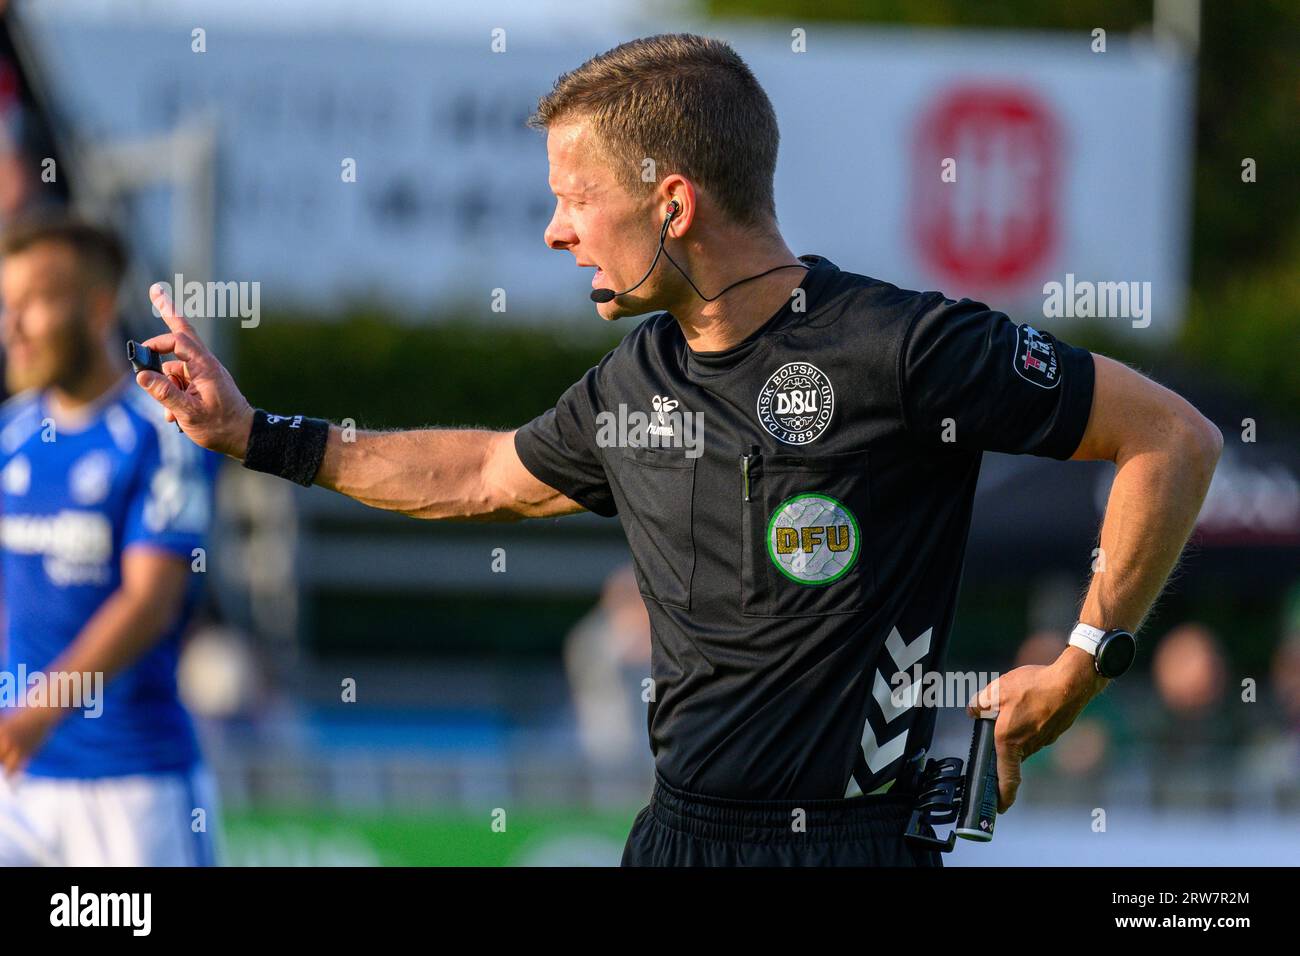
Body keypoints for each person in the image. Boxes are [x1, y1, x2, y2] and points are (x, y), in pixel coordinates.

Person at [130, 34, 1223, 866]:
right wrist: (255, 433)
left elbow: (1170, 437)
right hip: (676, 838)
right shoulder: (632, 379)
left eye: (574, 199)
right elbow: (478, 473)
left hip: (854, 847)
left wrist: (1082, 663)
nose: (554, 230)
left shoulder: (908, 348)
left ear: (673, 202)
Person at [0, 215, 221, 865]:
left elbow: (149, 601)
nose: (13, 328)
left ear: (97, 307)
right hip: (19, 782)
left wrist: (39, 713)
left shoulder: (162, 431)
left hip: (132, 788)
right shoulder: (10, 437)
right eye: (6, 306)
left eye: (34, 304)